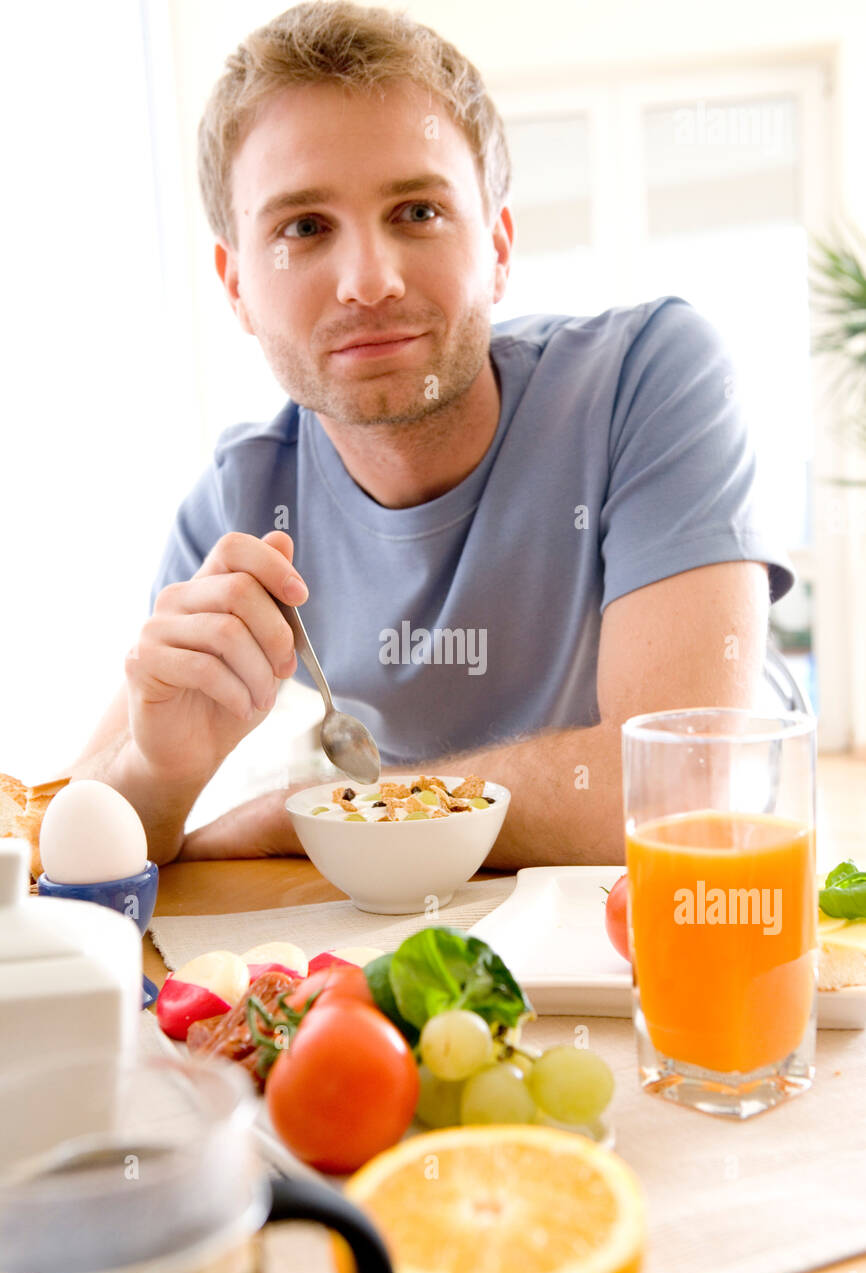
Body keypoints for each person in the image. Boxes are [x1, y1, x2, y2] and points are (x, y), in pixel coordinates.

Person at [62, 1, 794, 870]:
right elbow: (67, 849)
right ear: (236, 288)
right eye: (304, 227)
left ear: (499, 244)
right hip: (444, 898)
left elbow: (684, 783)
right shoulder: (239, 505)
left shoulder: (647, 377)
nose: (368, 282)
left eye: (416, 211)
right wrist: (159, 773)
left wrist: (302, 818)